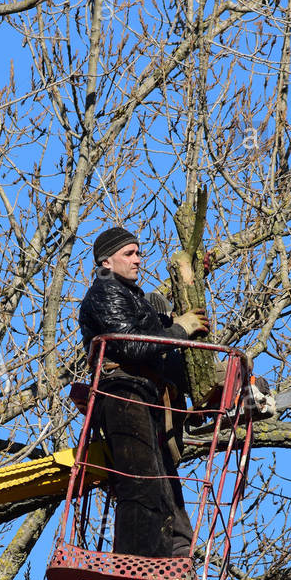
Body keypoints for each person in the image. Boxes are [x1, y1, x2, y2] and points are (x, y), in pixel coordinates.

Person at [78, 226, 210, 558]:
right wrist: (179, 329)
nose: (138, 259)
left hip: (146, 398)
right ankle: (137, 561)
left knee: (165, 481)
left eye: (139, 252)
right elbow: (133, 347)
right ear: (106, 262)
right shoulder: (105, 292)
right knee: (140, 481)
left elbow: (159, 350)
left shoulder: (134, 297)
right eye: (129, 253)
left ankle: (178, 555)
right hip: (123, 393)